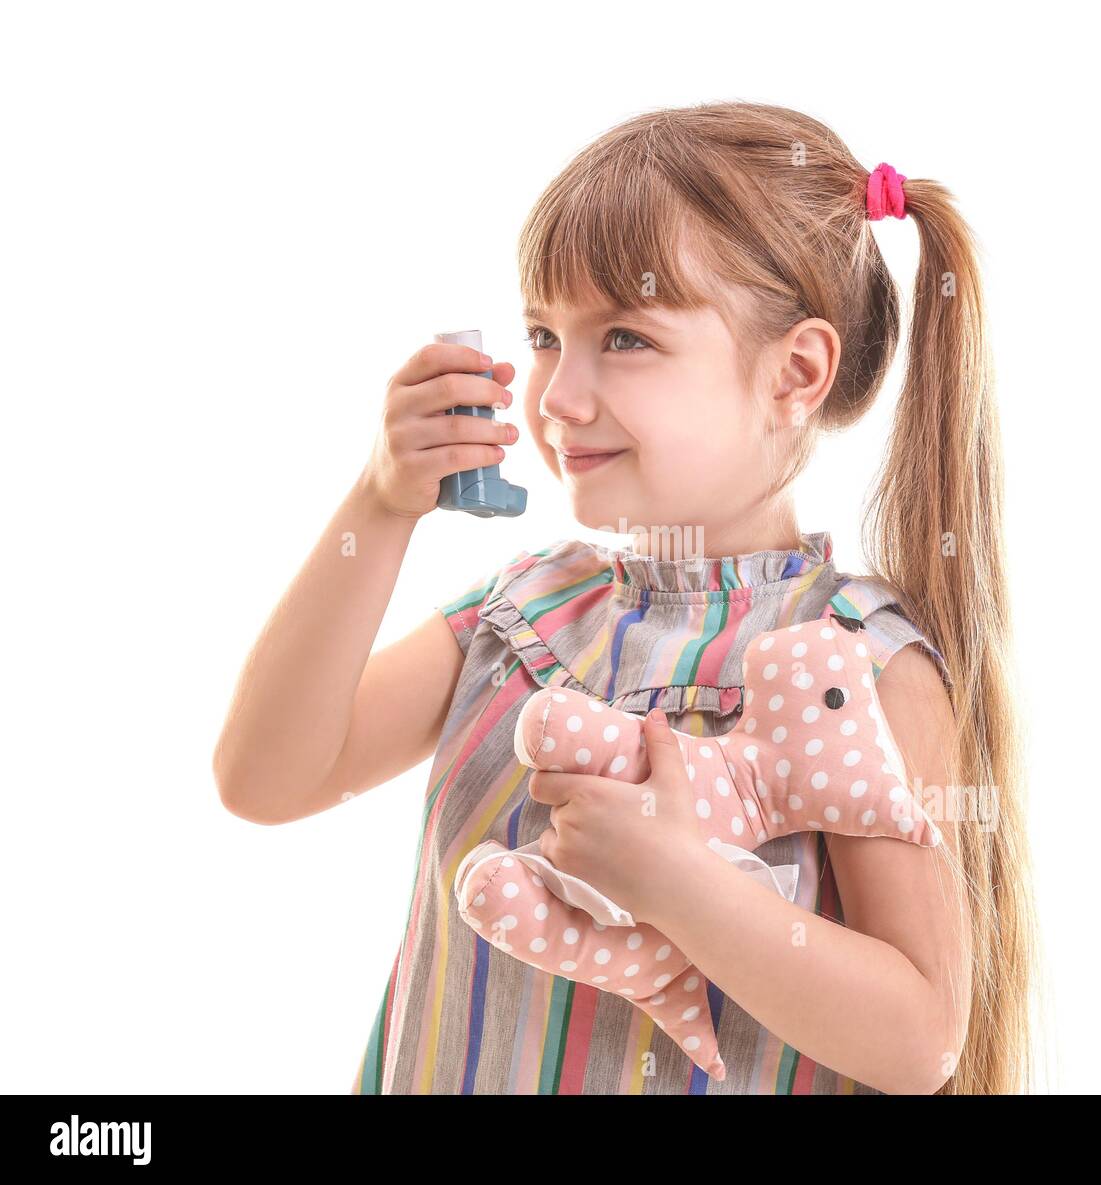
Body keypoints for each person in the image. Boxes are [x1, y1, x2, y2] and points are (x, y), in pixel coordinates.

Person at [212, 101, 1035, 1095]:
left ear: (796, 372)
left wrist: (680, 888)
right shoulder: (522, 614)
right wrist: (380, 509)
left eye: (627, 339)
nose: (557, 395)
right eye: (545, 335)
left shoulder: (852, 660)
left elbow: (916, 1039)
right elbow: (268, 777)